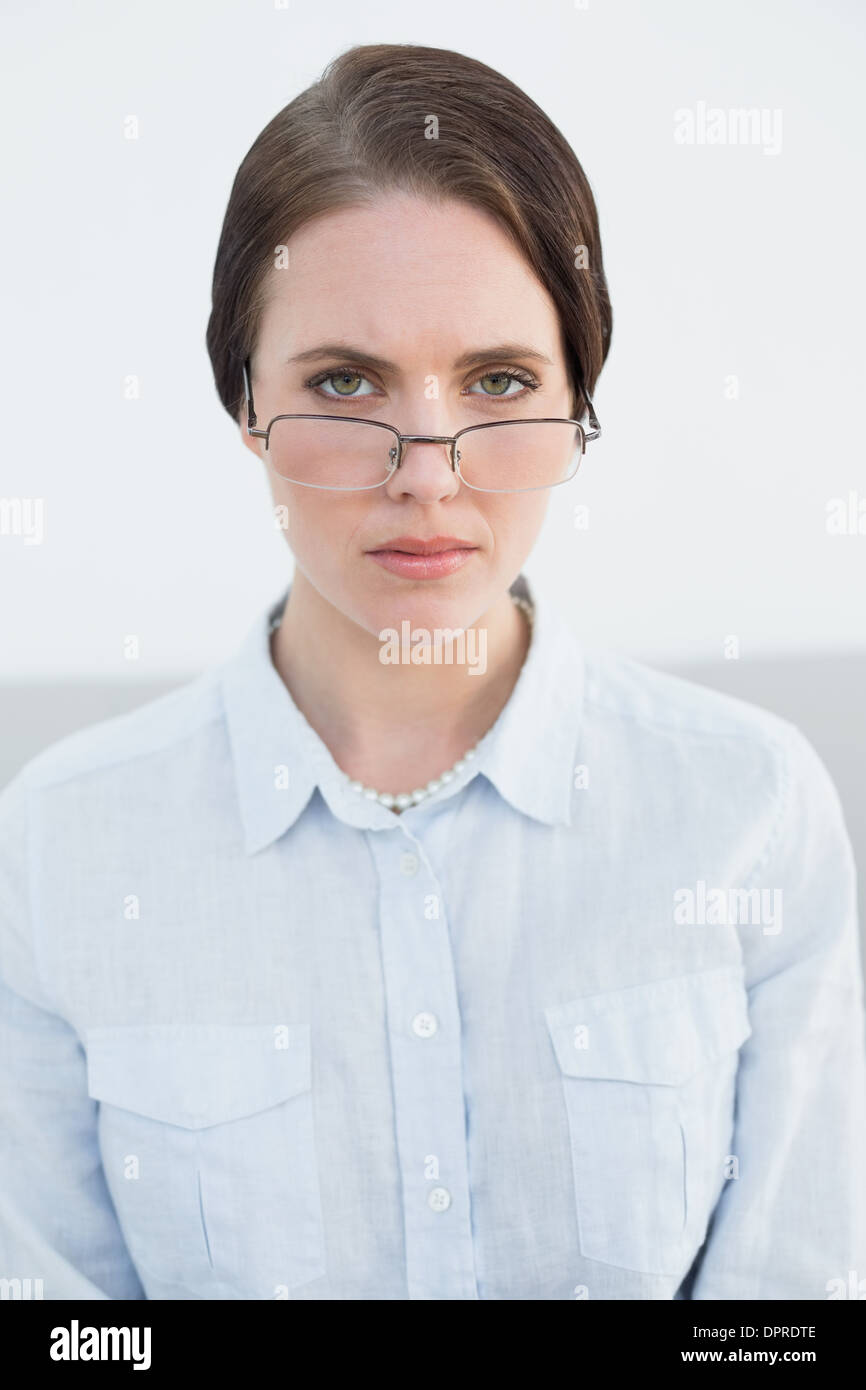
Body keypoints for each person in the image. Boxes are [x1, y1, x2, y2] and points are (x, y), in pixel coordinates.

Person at [1, 42, 864, 1302]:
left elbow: (783, 1323)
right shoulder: (58, 846)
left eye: (498, 381)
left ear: (578, 400)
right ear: (243, 401)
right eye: (343, 381)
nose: (426, 471)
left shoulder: (747, 812)